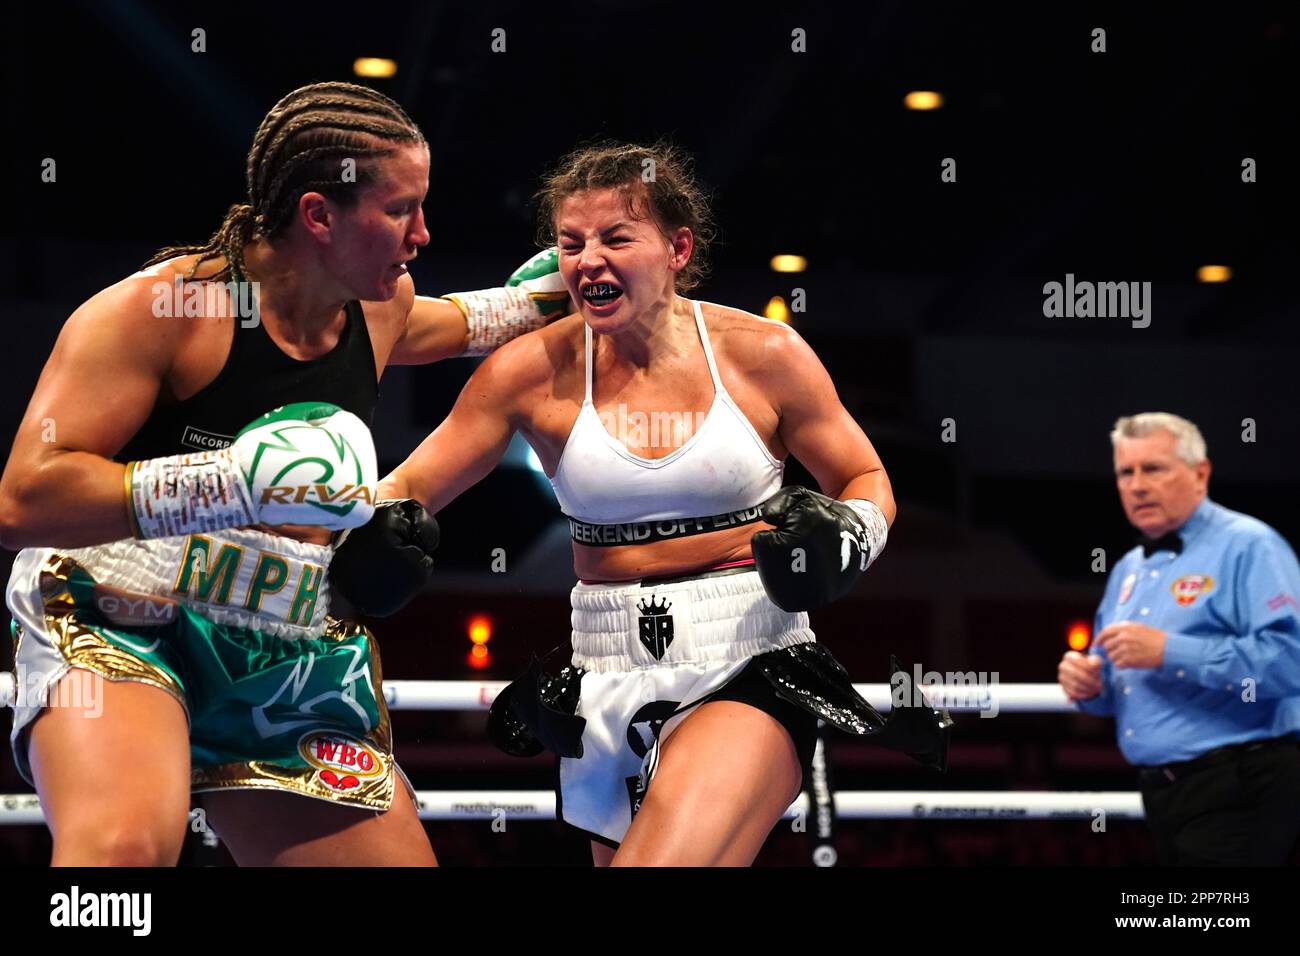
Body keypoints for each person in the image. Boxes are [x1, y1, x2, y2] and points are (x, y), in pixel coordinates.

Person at [0, 81, 564, 866]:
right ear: (318, 214)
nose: (423, 233)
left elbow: (466, 322)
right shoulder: (166, 309)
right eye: (400, 209)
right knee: (121, 851)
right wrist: (230, 482)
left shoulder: (382, 306)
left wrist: (571, 286)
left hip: (285, 633)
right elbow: (25, 498)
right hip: (125, 614)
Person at [379, 141, 949, 866]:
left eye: (617, 238)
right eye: (571, 242)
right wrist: (321, 525)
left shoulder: (762, 353)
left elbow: (864, 475)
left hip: (751, 658)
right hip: (603, 668)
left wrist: (852, 533)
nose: (589, 259)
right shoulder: (529, 370)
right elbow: (405, 490)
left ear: (678, 248)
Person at [1058, 412, 1300, 865]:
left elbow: (1291, 662)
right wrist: (1088, 685)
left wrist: (1170, 651)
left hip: (1243, 780)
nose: (1137, 485)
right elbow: (1114, 687)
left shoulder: (1250, 545)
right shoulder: (1129, 568)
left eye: (1154, 469)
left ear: (1200, 473)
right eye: (1125, 472)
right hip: (1164, 793)